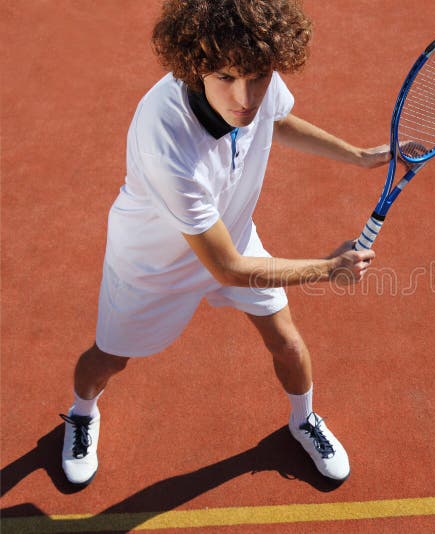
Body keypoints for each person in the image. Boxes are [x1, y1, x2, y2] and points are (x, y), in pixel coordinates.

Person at [59, 0, 387, 486]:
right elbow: (229, 270)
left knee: (286, 341)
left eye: (257, 76)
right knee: (109, 358)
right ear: (195, 68)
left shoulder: (256, 81)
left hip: (230, 236)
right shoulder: (167, 143)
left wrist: (359, 156)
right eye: (227, 78)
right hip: (152, 265)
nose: (246, 96)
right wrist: (328, 267)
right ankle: (81, 413)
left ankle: (302, 420)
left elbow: (274, 118)